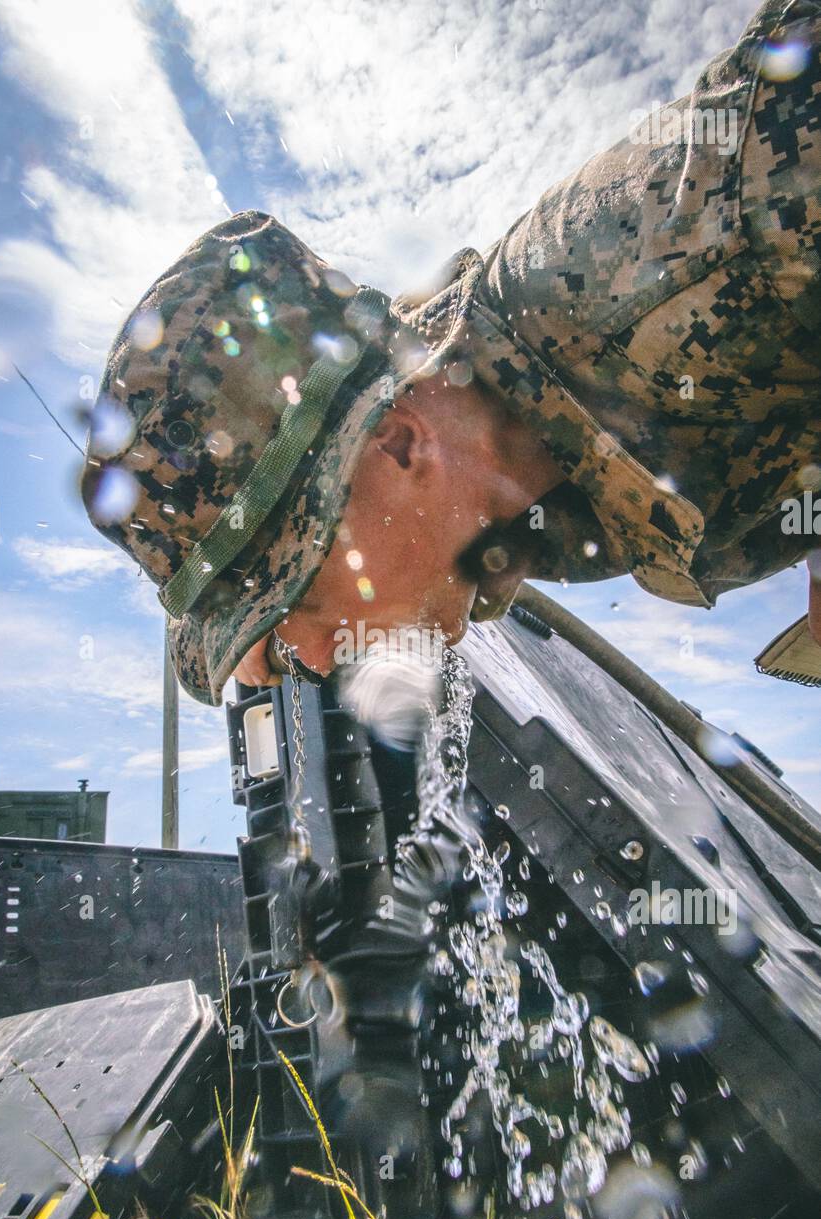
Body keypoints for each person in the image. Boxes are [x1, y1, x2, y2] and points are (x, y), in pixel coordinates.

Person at [82, 0, 821, 702]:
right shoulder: (505, 507)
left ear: (402, 446)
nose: (306, 661)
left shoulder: (697, 228)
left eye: (290, 589)